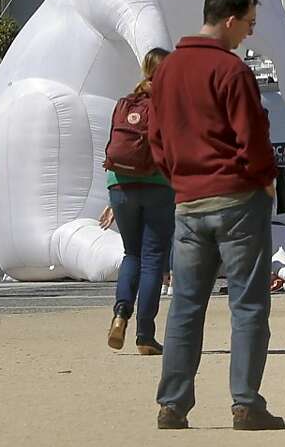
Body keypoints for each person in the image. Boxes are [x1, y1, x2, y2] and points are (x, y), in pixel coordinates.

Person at [147, 0, 285, 432]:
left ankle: (173, 403)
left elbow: (157, 139)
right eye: (248, 23)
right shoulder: (232, 72)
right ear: (230, 19)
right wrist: (264, 180)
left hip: (189, 201)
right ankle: (245, 402)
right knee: (247, 303)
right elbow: (253, 137)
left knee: (186, 305)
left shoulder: (166, 71)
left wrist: (180, 179)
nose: (248, 33)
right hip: (238, 198)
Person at [107, 47, 174, 357]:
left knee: (131, 254)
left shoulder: (124, 103)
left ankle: (120, 314)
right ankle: (145, 334)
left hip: (119, 186)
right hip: (157, 186)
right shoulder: (168, 105)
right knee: (152, 260)